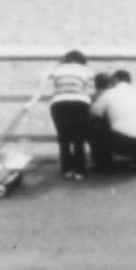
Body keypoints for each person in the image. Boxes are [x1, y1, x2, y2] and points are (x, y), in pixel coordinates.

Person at [37, 49, 95, 182]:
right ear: (82, 61)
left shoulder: (58, 68)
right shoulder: (87, 70)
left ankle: (66, 171)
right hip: (80, 103)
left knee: (64, 139)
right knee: (79, 139)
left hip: (59, 103)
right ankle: (80, 171)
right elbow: (91, 91)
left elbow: (43, 81)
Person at [91, 69, 136, 173]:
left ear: (115, 80)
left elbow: (94, 112)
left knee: (94, 127)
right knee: (134, 125)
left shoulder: (110, 93)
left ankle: (103, 165)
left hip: (125, 144)